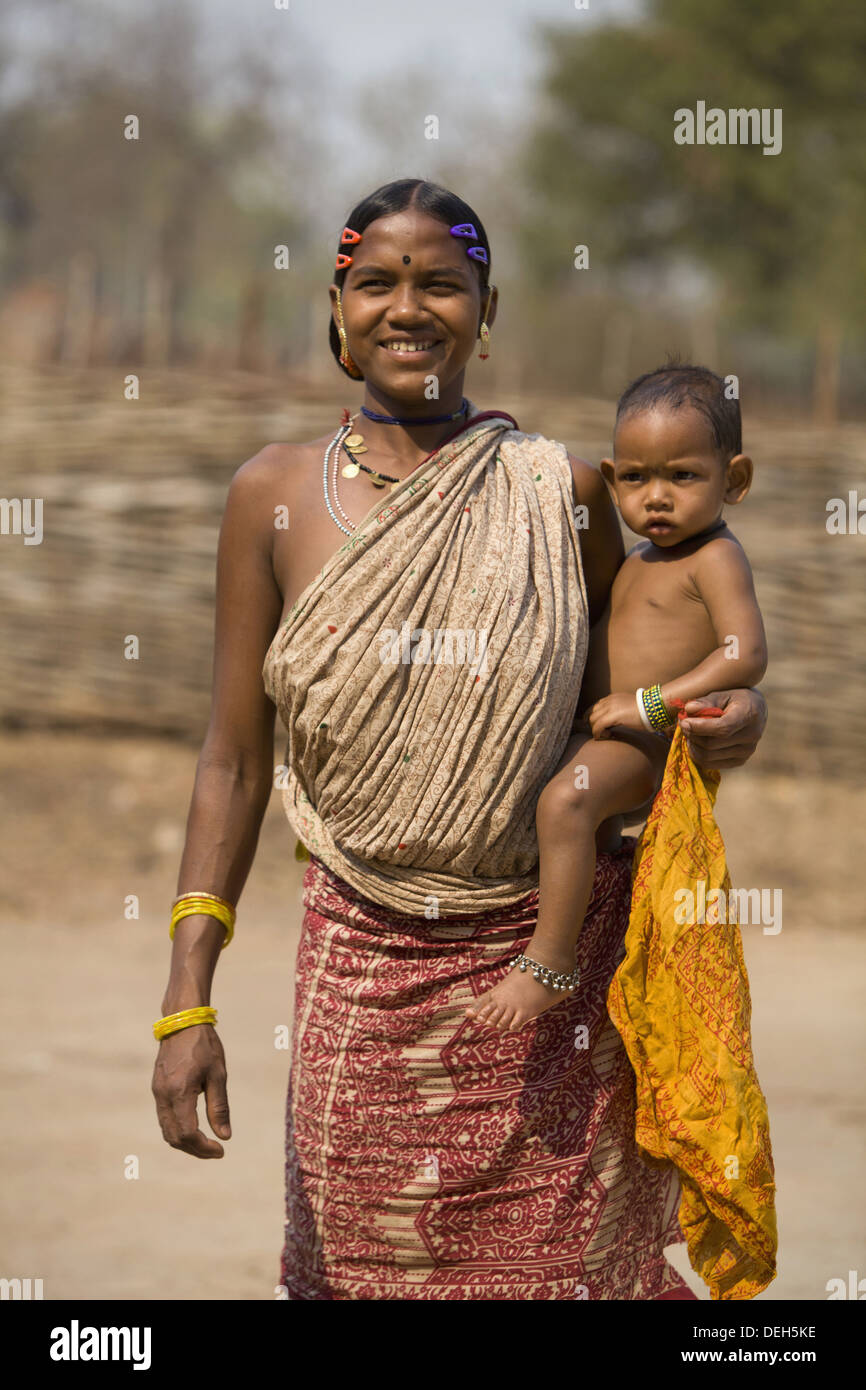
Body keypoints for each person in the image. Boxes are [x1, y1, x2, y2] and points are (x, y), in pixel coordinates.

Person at [151, 178, 768, 1300]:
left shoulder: (564, 490)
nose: (407, 306)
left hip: (548, 980)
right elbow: (233, 761)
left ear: (487, 310)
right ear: (333, 309)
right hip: (361, 985)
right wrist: (187, 1000)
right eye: (374, 282)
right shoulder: (271, 497)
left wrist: (726, 719)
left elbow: (630, 699)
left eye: (441, 282)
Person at [466, 364, 768, 1032]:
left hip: (645, 743)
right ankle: (601, 928)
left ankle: (549, 964)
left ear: (734, 480)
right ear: (610, 478)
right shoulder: (634, 559)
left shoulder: (715, 557)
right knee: (561, 813)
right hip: (605, 733)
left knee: (567, 799)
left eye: (682, 476)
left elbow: (744, 653)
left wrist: (652, 705)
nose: (656, 497)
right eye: (636, 478)